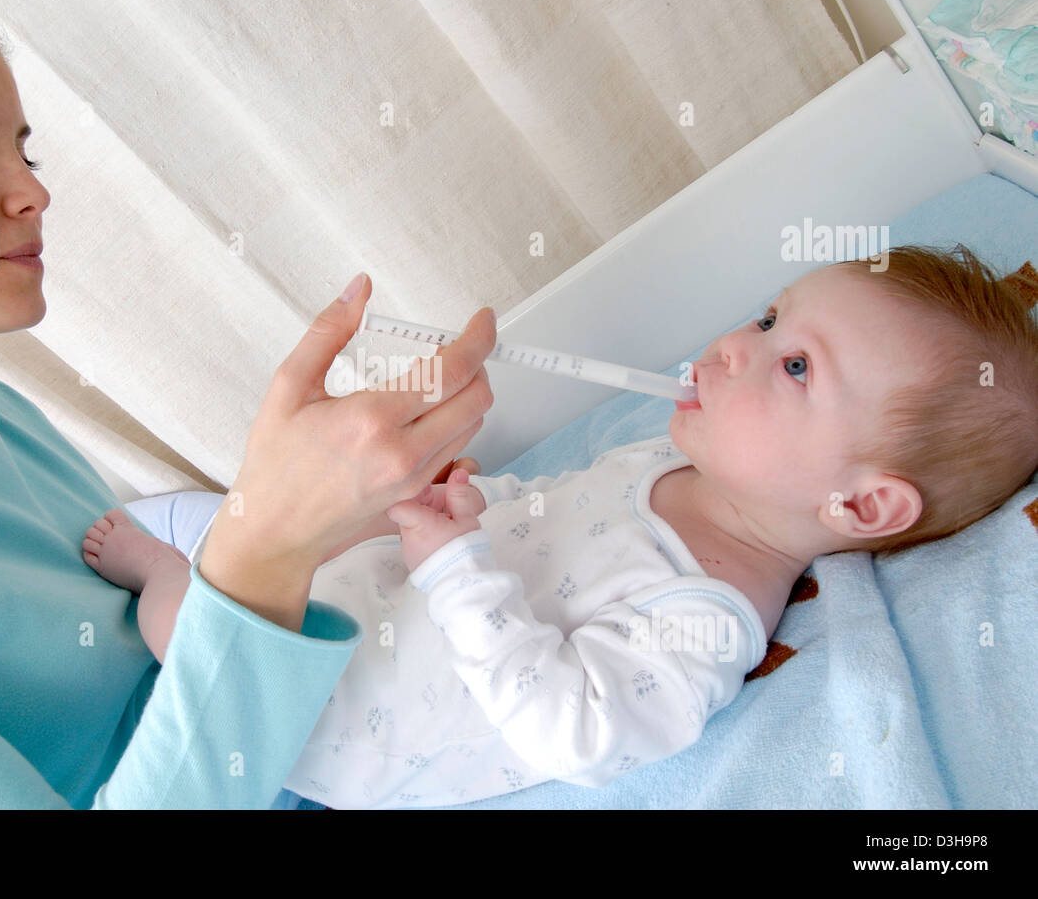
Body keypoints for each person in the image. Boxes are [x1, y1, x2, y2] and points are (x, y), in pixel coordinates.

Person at [0, 0, 495, 809]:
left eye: (24, 151)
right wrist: (265, 548)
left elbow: (163, 664)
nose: (33, 192)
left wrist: (326, 514)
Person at [85, 246, 1038, 808]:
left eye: (793, 366)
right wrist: (474, 506)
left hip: (336, 724)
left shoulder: (708, 623)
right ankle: (232, 557)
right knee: (325, 538)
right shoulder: (673, 465)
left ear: (862, 505)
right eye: (765, 317)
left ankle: (163, 577)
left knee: (193, 628)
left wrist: (457, 567)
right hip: (387, 594)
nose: (730, 347)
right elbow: (552, 518)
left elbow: (571, 732)